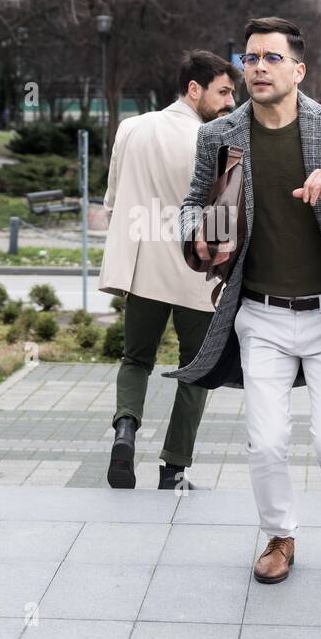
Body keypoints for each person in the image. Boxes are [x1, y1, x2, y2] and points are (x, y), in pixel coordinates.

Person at [165, 17, 321, 584]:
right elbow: (190, 204)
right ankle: (280, 535)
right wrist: (196, 234)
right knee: (266, 442)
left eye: (271, 58)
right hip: (259, 315)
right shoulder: (220, 136)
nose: (257, 67)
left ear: (299, 69)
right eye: (250, 58)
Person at [100, 50, 238, 490]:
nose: (230, 101)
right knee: (196, 371)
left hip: (143, 269)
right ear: (193, 89)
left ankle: (125, 431)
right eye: (223, 91)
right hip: (196, 270)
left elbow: (111, 201)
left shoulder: (132, 128)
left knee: (135, 359)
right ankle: (174, 468)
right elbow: (220, 213)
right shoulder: (218, 141)